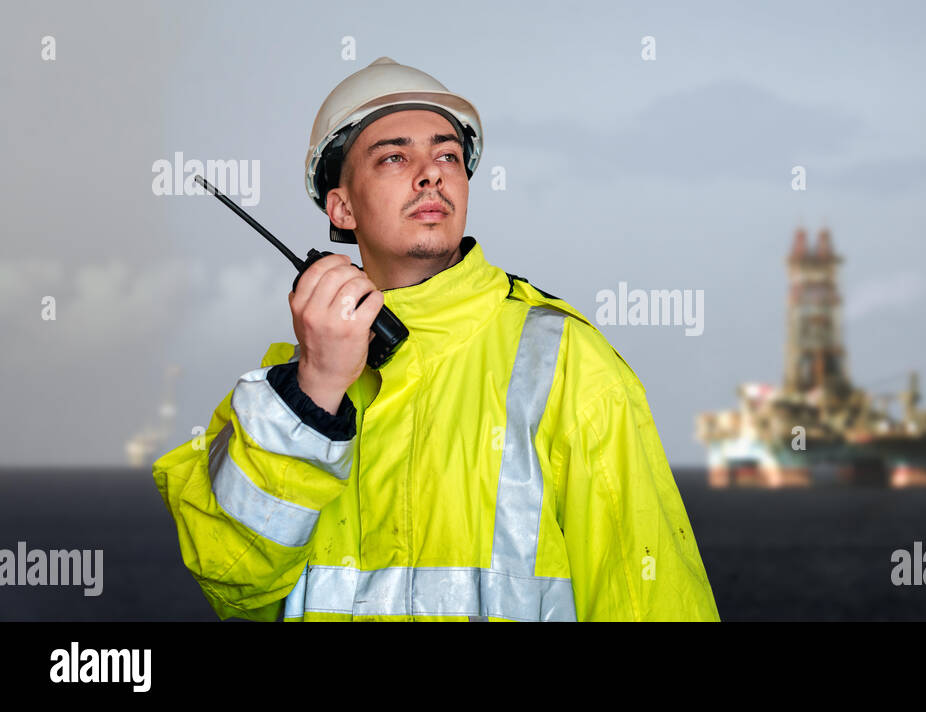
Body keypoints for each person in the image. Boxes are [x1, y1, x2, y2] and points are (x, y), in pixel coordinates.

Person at [152, 57, 720, 621]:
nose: (432, 174)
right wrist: (315, 391)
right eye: (395, 157)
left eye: (447, 154)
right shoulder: (287, 396)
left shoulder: (566, 362)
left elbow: (652, 601)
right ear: (341, 207)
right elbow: (232, 580)